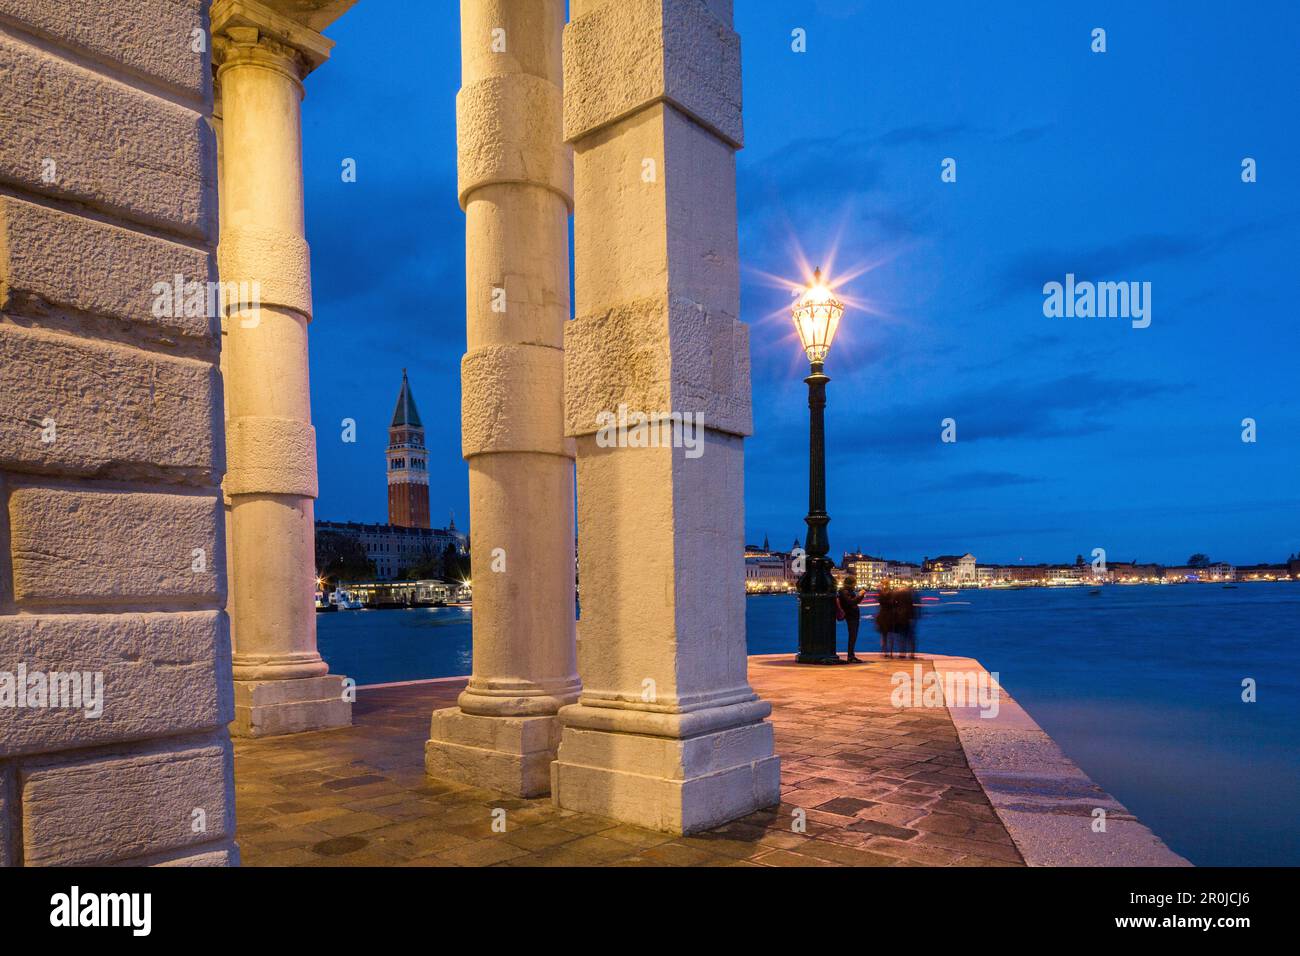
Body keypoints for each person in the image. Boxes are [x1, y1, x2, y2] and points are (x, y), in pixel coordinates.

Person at [836, 576, 868, 662]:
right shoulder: (844, 592)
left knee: (853, 636)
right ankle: (850, 656)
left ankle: (851, 655)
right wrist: (860, 595)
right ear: (851, 583)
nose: (855, 584)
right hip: (850, 616)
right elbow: (851, 602)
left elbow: (855, 602)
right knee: (852, 635)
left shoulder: (847, 591)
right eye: (854, 582)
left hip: (853, 616)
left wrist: (861, 596)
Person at [874, 579, 897, 657]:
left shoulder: (881, 594)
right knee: (891, 634)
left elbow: (879, 601)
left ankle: (885, 651)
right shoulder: (892, 593)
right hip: (890, 615)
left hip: (883, 614)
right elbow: (894, 603)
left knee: (884, 635)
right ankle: (890, 652)